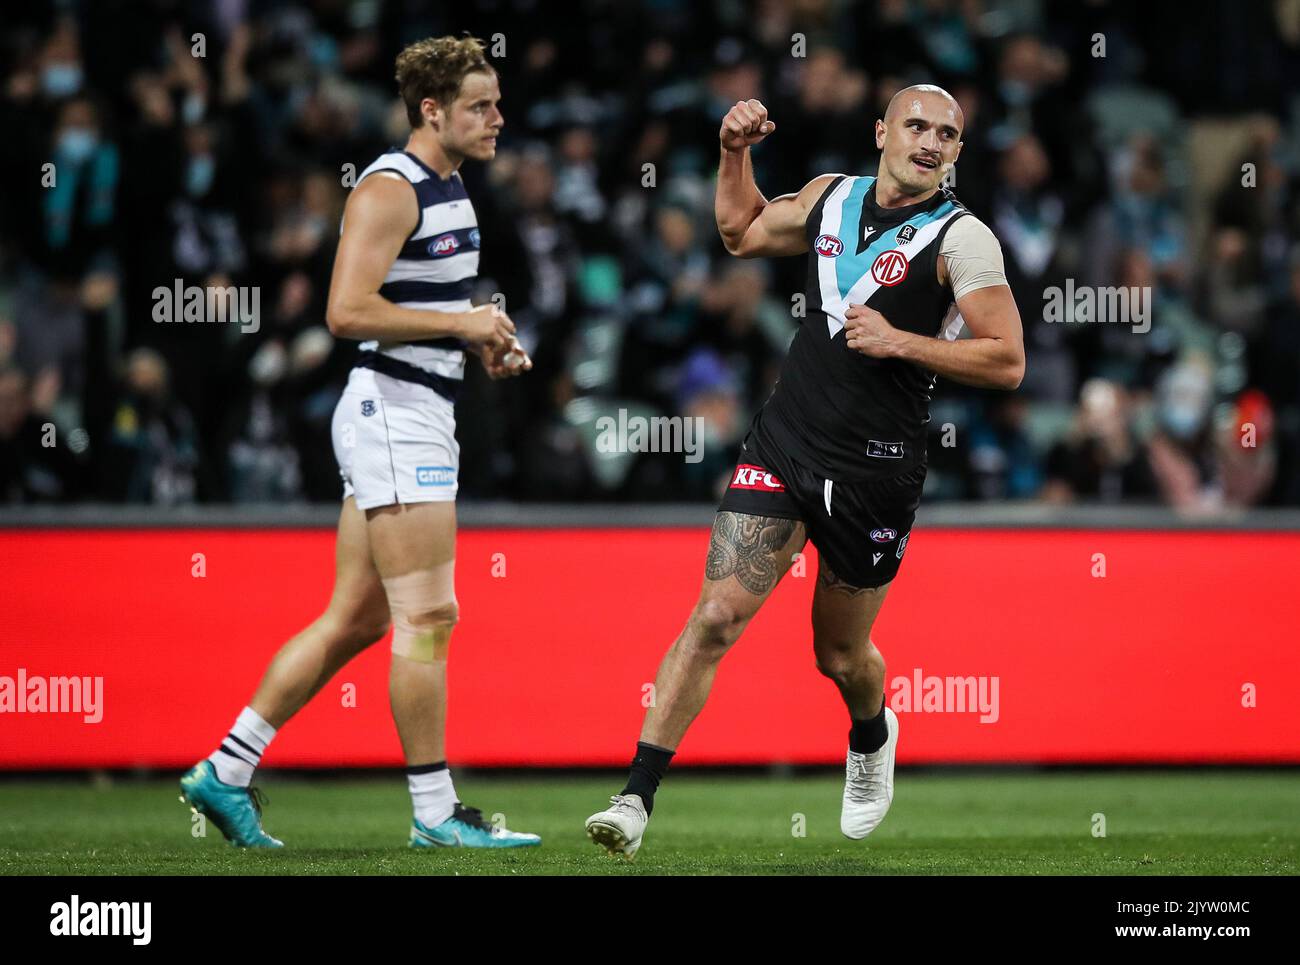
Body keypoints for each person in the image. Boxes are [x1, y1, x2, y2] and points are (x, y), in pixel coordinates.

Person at [586, 86, 1025, 858]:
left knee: (840, 656)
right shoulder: (831, 196)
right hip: (784, 447)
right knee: (715, 616)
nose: (929, 141)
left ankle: (870, 731)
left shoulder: (965, 242)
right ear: (881, 131)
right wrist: (733, 152)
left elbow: (1008, 360)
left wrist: (903, 342)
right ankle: (635, 796)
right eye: (916, 125)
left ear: (957, 154)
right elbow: (741, 231)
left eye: (947, 134)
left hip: (877, 471)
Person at [180, 35, 540, 849]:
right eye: (481, 105)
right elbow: (345, 312)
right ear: (432, 110)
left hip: (415, 405)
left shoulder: (450, 186)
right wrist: (460, 323)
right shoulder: (390, 187)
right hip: (394, 413)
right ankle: (436, 814)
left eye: (497, 103)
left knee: (354, 617)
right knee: (431, 614)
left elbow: (417, 307)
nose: (498, 118)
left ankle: (225, 772)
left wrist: (480, 340)